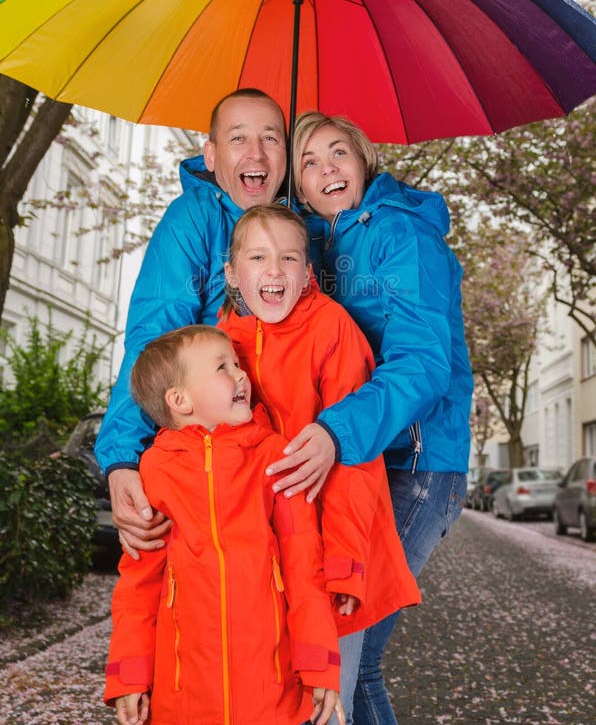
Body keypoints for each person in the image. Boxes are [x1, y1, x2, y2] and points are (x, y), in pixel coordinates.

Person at [264, 112, 474, 724]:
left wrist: (336, 430)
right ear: (299, 187)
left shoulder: (404, 236)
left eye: (339, 153)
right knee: (343, 662)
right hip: (360, 468)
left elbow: (423, 364)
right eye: (308, 162)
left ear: (363, 161)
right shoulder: (309, 247)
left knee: (349, 658)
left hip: (416, 464)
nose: (327, 168)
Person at [218, 204, 421, 725]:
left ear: (309, 272)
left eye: (289, 258)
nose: (274, 270)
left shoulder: (331, 328)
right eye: (258, 257)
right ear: (232, 273)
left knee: (328, 702)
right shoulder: (221, 341)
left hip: (332, 549)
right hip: (269, 557)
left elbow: (356, 459)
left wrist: (346, 566)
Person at [104, 324, 343, 725]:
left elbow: (305, 568)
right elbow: (137, 588)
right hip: (183, 700)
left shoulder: (274, 457)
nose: (241, 374)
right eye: (222, 367)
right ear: (180, 400)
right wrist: (129, 678)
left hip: (271, 693)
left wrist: (319, 665)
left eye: (237, 363)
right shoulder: (155, 472)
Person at [95, 88, 288, 556]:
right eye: (238, 138)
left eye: (271, 138)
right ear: (211, 155)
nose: (257, 153)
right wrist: (122, 457)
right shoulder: (193, 219)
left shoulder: (306, 227)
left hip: (284, 446)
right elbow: (156, 339)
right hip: (210, 447)